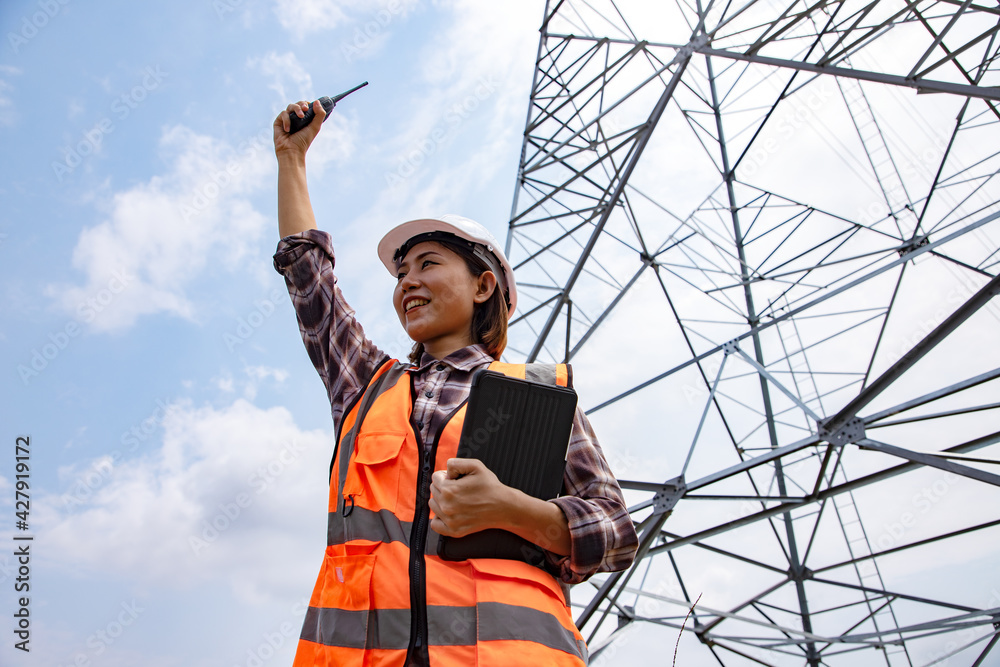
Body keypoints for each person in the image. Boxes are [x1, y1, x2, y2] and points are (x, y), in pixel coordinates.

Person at [272, 98, 638, 667]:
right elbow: (308, 276)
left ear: (483, 286)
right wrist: (292, 161)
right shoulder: (367, 385)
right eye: (401, 273)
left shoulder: (538, 395)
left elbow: (615, 531)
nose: (408, 282)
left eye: (428, 264)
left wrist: (515, 511)